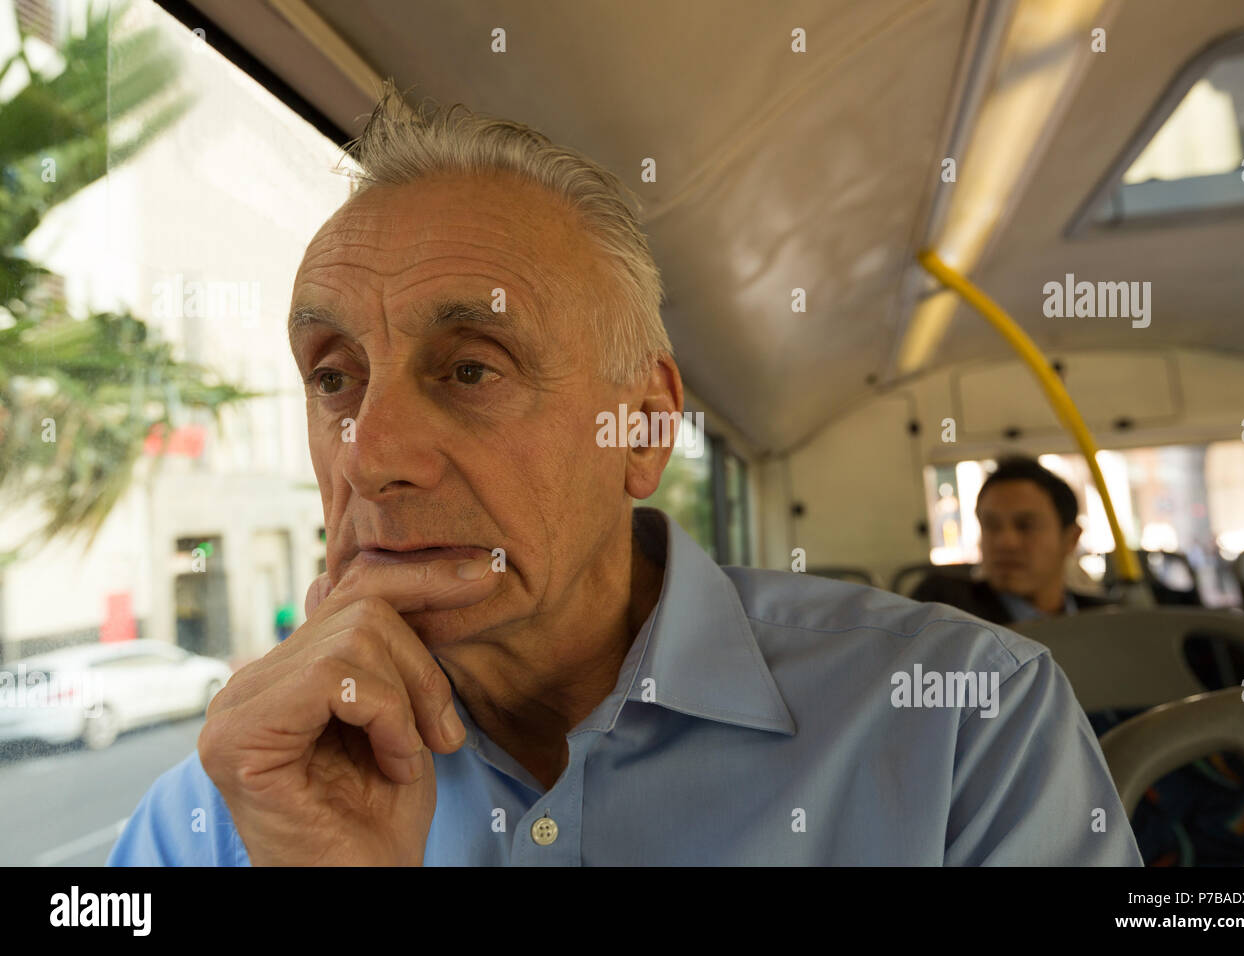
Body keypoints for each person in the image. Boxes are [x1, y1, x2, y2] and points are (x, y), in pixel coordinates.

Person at [106, 87, 1140, 866]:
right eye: (334, 378)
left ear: (642, 427)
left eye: (470, 367)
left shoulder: (963, 726)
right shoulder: (223, 807)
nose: (368, 455)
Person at [911, 457, 1112, 625]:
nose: (1005, 542)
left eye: (1025, 526)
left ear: (1071, 539)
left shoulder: (1107, 621)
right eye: (991, 526)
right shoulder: (944, 613)